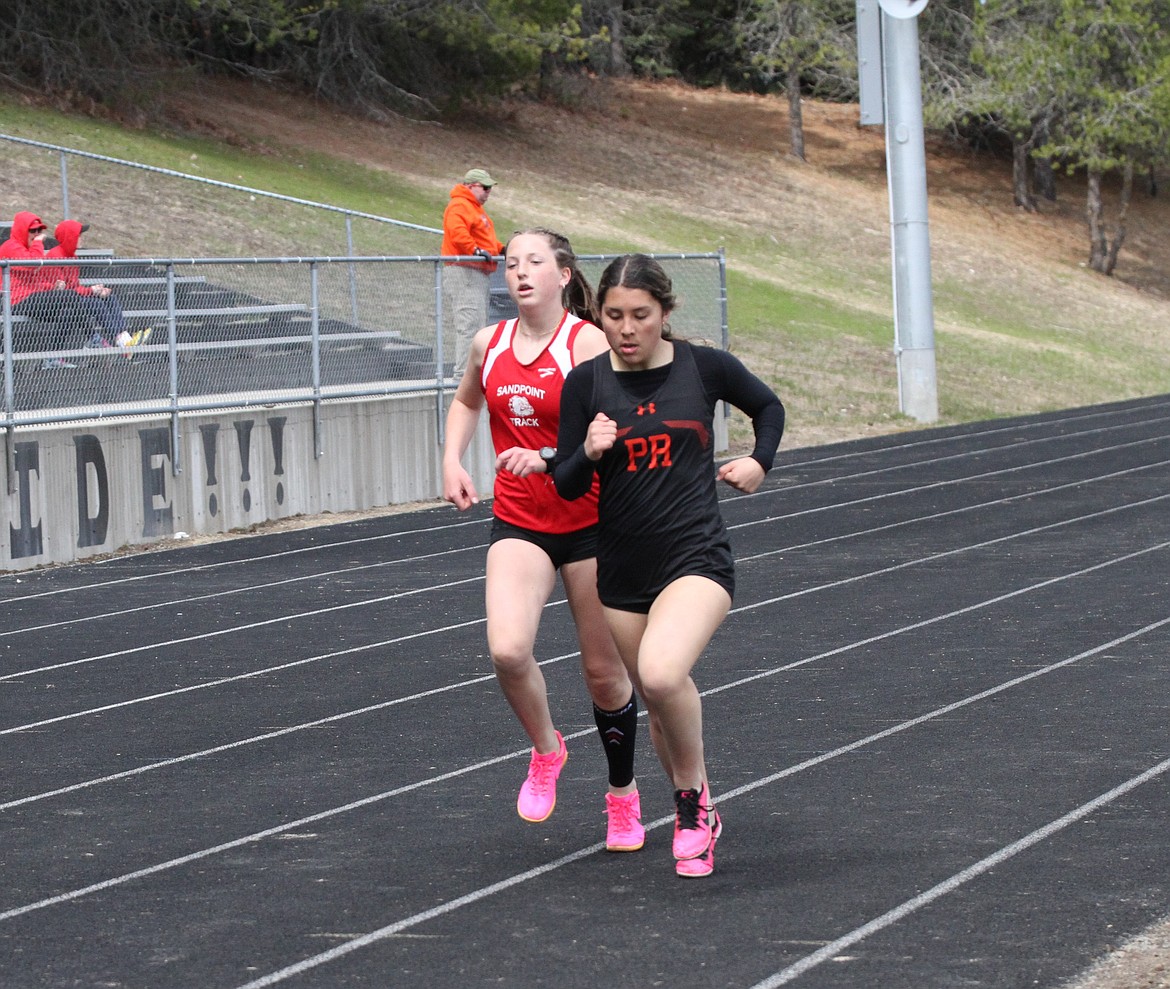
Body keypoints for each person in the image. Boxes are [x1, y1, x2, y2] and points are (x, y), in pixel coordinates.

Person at [552, 254, 785, 878]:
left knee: (658, 674)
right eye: (614, 316)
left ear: (665, 313)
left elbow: (768, 407)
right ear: (598, 315)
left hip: (696, 556)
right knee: (658, 703)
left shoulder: (703, 367)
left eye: (641, 316)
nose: (627, 329)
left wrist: (760, 461)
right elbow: (567, 485)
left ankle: (690, 806)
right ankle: (699, 798)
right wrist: (589, 452)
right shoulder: (588, 384)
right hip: (622, 571)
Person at [442, 228, 645, 853]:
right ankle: (547, 750)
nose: (520, 273)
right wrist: (452, 458)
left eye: (534, 262)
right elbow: (466, 401)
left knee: (604, 676)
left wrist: (553, 454)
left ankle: (622, 796)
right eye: (510, 264)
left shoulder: (586, 343)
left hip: (590, 522)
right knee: (507, 650)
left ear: (563, 275)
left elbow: (618, 426)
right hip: (521, 520)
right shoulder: (490, 342)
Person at [46, 219, 150, 350]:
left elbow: (74, 287)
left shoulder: (72, 257)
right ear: (69, 237)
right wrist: (90, 291)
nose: (81, 239)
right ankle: (122, 342)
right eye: (78, 236)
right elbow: (63, 291)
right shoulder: (55, 256)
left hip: (73, 298)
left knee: (108, 297)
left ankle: (125, 337)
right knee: (95, 303)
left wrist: (97, 291)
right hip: (58, 302)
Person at [440, 167, 505, 378]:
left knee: (478, 325)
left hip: (476, 272)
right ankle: (463, 376)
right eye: (484, 188)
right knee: (469, 324)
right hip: (464, 271)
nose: (488, 193)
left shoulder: (475, 208)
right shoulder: (459, 204)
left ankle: (473, 374)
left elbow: (484, 238)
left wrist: (501, 249)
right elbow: (458, 233)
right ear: (470, 186)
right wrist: (475, 251)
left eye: (489, 189)